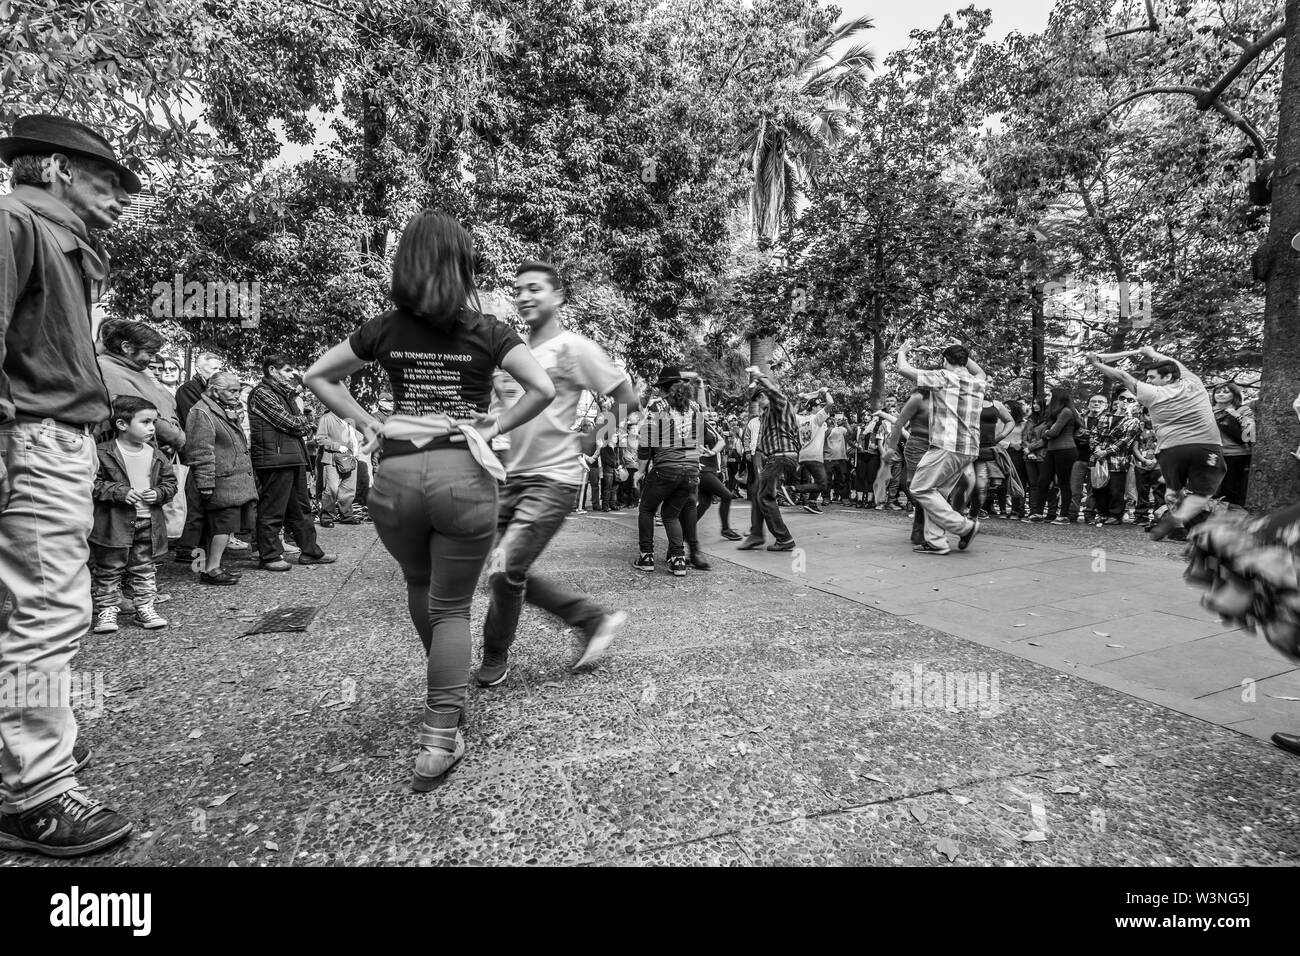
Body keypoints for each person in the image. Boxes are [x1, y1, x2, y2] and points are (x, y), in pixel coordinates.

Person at [305, 212, 554, 789]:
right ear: (462, 266)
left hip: (395, 476)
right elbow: (541, 389)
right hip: (463, 472)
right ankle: (441, 731)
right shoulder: (490, 330)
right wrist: (493, 428)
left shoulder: (384, 329)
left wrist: (368, 421)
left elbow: (318, 375)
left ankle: (446, 697)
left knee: (422, 589)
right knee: (452, 608)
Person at [0, 114, 138, 855]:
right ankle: (37, 794)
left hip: (54, 439)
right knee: (47, 615)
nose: (118, 197)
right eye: (106, 181)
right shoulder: (16, 220)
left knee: (28, 609)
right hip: (33, 438)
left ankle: (28, 750)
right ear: (54, 168)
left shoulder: (58, 239)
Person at [476, 261, 636, 684]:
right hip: (507, 478)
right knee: (503, 570)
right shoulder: (512, 352)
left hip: (553, 478)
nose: (524, 296)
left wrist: (594, 436)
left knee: (505, 568)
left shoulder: (573, 348)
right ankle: (591, 619)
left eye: (535, 288)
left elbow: (625, 397)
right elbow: (501, 414)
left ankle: (494, 653)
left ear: (558, 297)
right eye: (519, 290)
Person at [1088, 346, 1225, 540]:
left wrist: (1096, 363)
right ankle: (1191, 526)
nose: (1148, 381)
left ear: (1168, 377)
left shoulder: (1153, 394)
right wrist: (1153, 354)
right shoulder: (1194, 382)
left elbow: (1122, 376)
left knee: (1172, 492)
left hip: (1172, 450)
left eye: (1152, 377)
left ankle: (1179, 526)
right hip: (1206, 447)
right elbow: (1175, 365)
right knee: (1203, 490)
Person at [90, 396, 176, 633]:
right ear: (122, 424)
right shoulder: (102, 453)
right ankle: (107, 610)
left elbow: (171, 484)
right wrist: (118, 492)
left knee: (145, 569)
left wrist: (158, 493)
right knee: (108, 569)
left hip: (148, 523)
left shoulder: (156, 454)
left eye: (154, 422)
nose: (152, 428)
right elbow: (91, 483)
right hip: (113, 524)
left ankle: (145, 607)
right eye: (145, 422)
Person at [895, 339, 986, 555]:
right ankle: (936, 541)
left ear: (945, 361)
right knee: (937, 493)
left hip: (946, 445)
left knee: (919, 488)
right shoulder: (978, 382)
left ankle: (964, 527)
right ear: (964, 361)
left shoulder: (943, 377)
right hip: (969, 449)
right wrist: (962, 348)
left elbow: (903, 369)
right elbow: (979, 370)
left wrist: (902, 351)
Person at [248, 354, 335, 571]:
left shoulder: (284, 395)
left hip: (292, 457)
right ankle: (269, 555)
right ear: (271, 370)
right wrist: (305, 420)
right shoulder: (261, 393)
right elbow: (292, 424)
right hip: (274, 460)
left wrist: (304, 420)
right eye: (287, 370)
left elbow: (301, 424)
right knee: (272, 509)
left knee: (301, 509)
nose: (292, 375)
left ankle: (310, 551)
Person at [183, 371, 257, 585]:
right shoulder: (202, 412)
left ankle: (212, 567)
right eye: (232, 391)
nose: (237, 395)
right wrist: (206, 484)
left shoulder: (216, 409)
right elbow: (200, 451)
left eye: (238, 390)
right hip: (220, 480)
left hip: (229, 480)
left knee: (223, 525)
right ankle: (212, 569)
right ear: (215, 391)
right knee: (222, 526)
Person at [636, 367, 712, 574]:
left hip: (666, 467)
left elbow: (646, 440)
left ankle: (646, 557)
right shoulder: (695, 407)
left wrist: (640, 470)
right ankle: (678, 560)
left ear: (663, 388)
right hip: (690, 471)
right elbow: (702, 436)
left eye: (660, 388)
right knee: (670, 514)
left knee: (647, 508)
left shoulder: (657, 407)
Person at [96, 320, 185, 457]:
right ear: (126, 347)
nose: (153, 358)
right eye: (149, 353)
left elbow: (168, 403)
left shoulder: (139, 370)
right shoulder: (107, 369)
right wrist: (178, 439)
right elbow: (139, 412)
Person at [737, 369, 801, 552]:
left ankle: (784, 538)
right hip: (775, 458)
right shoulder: (765, 417)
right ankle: (756, 534)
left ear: (766, 395)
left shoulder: (781, 405)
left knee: (764, 496)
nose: (758, 403)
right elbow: (763, 443)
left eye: (760, 398)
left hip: (782, 457)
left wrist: (759, 376)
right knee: (759, 492)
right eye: (757, 400)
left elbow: (776, 393)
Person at [1089, 389, 1142, 525]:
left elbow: (1125, 441)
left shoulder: (1133, 421)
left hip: (1117, 459)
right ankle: (1102, 513)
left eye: (1130, 400)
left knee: (1115, 489)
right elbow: (1093, 434)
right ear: (1117, 400)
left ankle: (1115, 515)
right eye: (1122, 398)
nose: (1125, 401)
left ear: (1135, 404)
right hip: (1098, 458)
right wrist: (1096, 449)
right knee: (1098, 488)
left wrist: (1105, 451)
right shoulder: (1105, 416)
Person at [1036, 386, 1082, 525]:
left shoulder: (1066, 411)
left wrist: (1046, 433)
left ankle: (1063, 516)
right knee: (1043, 481)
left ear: (1057, 397)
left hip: (1066, 450)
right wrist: (1048, 432)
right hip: (1052, 451)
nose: (1046, 398)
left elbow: (1053, 432)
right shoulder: (1055, 414)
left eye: (1048, 395)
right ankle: (1038, 513)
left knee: (1064, 483)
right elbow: (1049, 432)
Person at [697, 411, 742, 540]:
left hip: (711, 468)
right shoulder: (692, 425)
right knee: (727, 495)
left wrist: (712, 452)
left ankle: (682, 531)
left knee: (704, 504)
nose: (710, 415)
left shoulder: (707, 424)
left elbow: (721, 441)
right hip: (702, 469)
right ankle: (726, 529)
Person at [315, 408, 363, 526]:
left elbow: (357, 437)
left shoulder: (350, 418)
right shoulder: (327, 418)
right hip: (332, 460)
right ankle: (326, 517)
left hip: (351, 459)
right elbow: (320, 439)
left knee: (348, 489)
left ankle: (346, 516)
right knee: (331, 489)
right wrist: (337, 446)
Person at [791, 388, 835, 514]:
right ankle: (793, 489)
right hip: (814, 456)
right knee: (822, 484)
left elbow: (791, 415)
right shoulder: (817, 418)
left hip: (803, 455)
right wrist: (826, 391)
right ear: (813, 408)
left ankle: (812, 503)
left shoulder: (801, 419)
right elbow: (830, 403)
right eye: (818, 406)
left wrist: (798, 401)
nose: (820, 408)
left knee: (818, 480)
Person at [1212, 383, 1255, 508]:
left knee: (1230, 490)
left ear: (1234, 394)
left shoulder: (1243, 410)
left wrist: (1234, 414)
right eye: (1218, 392)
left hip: (1236, 454)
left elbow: (1250, 433)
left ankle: (1230, 517)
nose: (1220, 394)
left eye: (1226, 392)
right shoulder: (1207, 411)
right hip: (1213, 453)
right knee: (1210, 489)